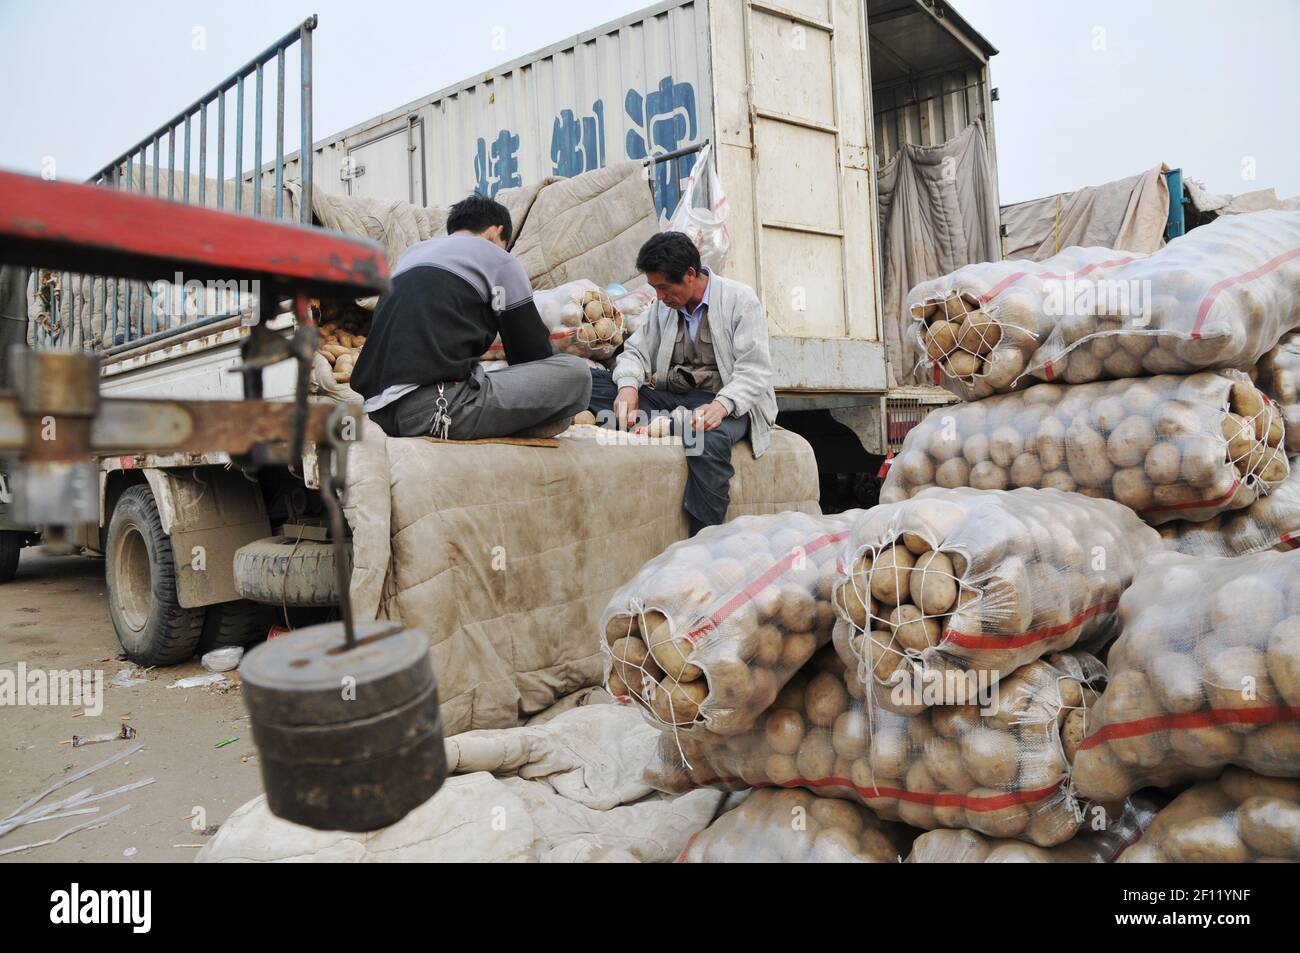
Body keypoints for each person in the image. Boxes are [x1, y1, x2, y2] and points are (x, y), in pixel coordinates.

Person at [352, 194, 591, 440]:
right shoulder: (498, 258)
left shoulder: (410, 256)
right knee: (574, 374)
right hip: (436, 408)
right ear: (495, 233)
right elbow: (531, 356)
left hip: (379, 413)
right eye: (503, 244)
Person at [589, 232, 777, 531]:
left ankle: (704, 538)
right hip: (677, 398)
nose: (660, 297)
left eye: (664, 288)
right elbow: (636, 351)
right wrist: (627, 386)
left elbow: (755, 371)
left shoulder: (740, 300)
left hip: (727, 405)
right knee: (590, 383)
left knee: (704, 438)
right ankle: (669, 423)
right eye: (655, 289)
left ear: (691, 274)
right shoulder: (664, 306)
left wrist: (722, 406)